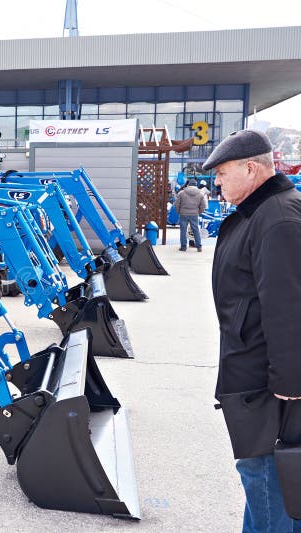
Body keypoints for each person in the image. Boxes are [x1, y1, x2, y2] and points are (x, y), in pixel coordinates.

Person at [204, 128, 301, 533]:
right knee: (265, 489)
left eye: (223, 173)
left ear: (250, 168)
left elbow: (288, 307)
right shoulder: (262, 213)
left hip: (269, 390)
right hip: (255, 376)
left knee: (269, 486)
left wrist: (290, 384)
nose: (216, 182)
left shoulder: (276, 219)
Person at [175, 177, 208, 251]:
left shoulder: (181, 193)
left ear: (188, 185)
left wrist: (179, 211)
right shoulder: (200, 194)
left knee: (183, 230)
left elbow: (176, 204)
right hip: (194, 214)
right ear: (196, 185)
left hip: (183, 214)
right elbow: (203, 205)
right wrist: (198, 212)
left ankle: (183, 247)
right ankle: (199, 246)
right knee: (196, 230)